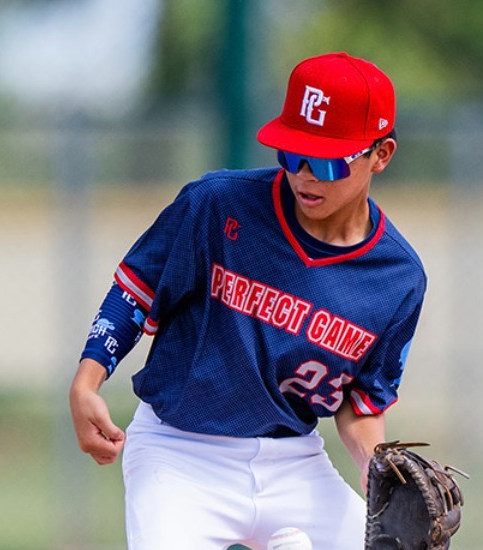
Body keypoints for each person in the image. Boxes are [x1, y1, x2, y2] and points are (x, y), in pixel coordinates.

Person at [68, 51, 424, 549]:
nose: (305, 174)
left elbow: (359, 403)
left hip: (295, 463)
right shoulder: (218, 204)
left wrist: (377, 467)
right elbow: (135, 292)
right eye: (291, 153)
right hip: (179, 454)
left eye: (327, 160)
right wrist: (87, 382)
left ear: (381, 155)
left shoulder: (397, 277)